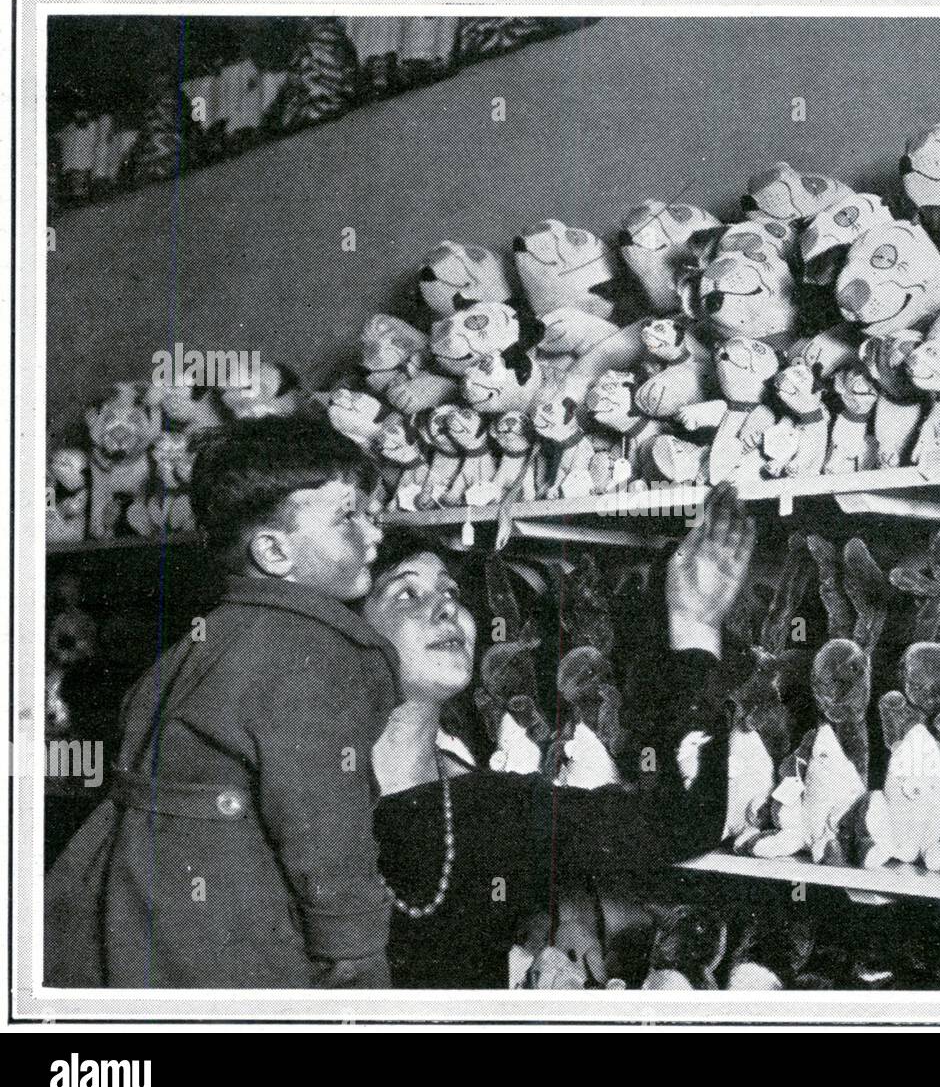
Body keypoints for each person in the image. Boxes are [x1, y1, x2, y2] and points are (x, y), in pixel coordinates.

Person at [45, 416, 399, 988]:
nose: (373, 531)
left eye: (370, 512)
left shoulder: (209, 635)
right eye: (347, 517)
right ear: (274, 552)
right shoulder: (312, 645)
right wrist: (355, 950)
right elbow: (322, 815)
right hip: (225, 920)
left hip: (131, 902)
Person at [365, 483, 756, 988]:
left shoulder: (481, 802)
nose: (444, 607)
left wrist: (695, 625)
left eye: (450, 592)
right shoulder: (303, 784)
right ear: (348, 628)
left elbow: (681, 822)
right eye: (406, 592)